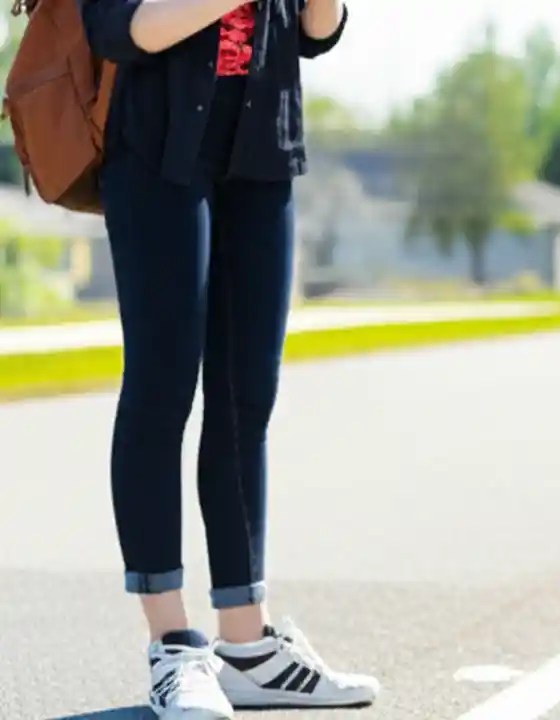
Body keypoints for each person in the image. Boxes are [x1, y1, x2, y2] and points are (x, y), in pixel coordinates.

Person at [79, 1, 378, 717]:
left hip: (262, 152)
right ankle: (174, 644)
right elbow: (122, 26)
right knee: (162, 389)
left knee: (247, 402)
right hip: (158, 155)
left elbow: (318, 33)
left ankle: (247, 646)